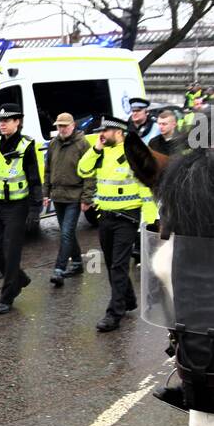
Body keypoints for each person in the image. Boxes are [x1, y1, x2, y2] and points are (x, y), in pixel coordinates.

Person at [77, 116, 142, 332]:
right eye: (101, 131)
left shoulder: (133, 153)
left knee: (118, 265)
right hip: (105, 216)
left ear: (119, 132)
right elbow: (83, 170)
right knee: (112, 261)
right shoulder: (101, 152)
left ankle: (114, 313)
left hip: (128, 216)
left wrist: (151, 220)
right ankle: (129, 299)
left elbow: (145, 186)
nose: (101, 134)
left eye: (106, 131)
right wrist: (95, 149)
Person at [0, 104, 41, 314]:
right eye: (2, 120)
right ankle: (20, 277)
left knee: (11, 251)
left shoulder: (27, 146)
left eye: (8, 120)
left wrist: (35, 210)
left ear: (18, 122)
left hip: (17, 205)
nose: (4, 124)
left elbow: (34, 180)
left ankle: (8, 295)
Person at [43, 112, 93, 287]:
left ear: (73, 126)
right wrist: (46, 193)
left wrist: (87, 198)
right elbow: (48, 170)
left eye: (64, 126)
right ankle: (78, 263)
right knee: (68, 233)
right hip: (58, 196)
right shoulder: (53, 144)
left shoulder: (82, 144)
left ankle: (59, 269)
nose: (61, 129)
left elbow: (89, 174)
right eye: (59, 126)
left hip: (74, 195)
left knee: (65, 233)